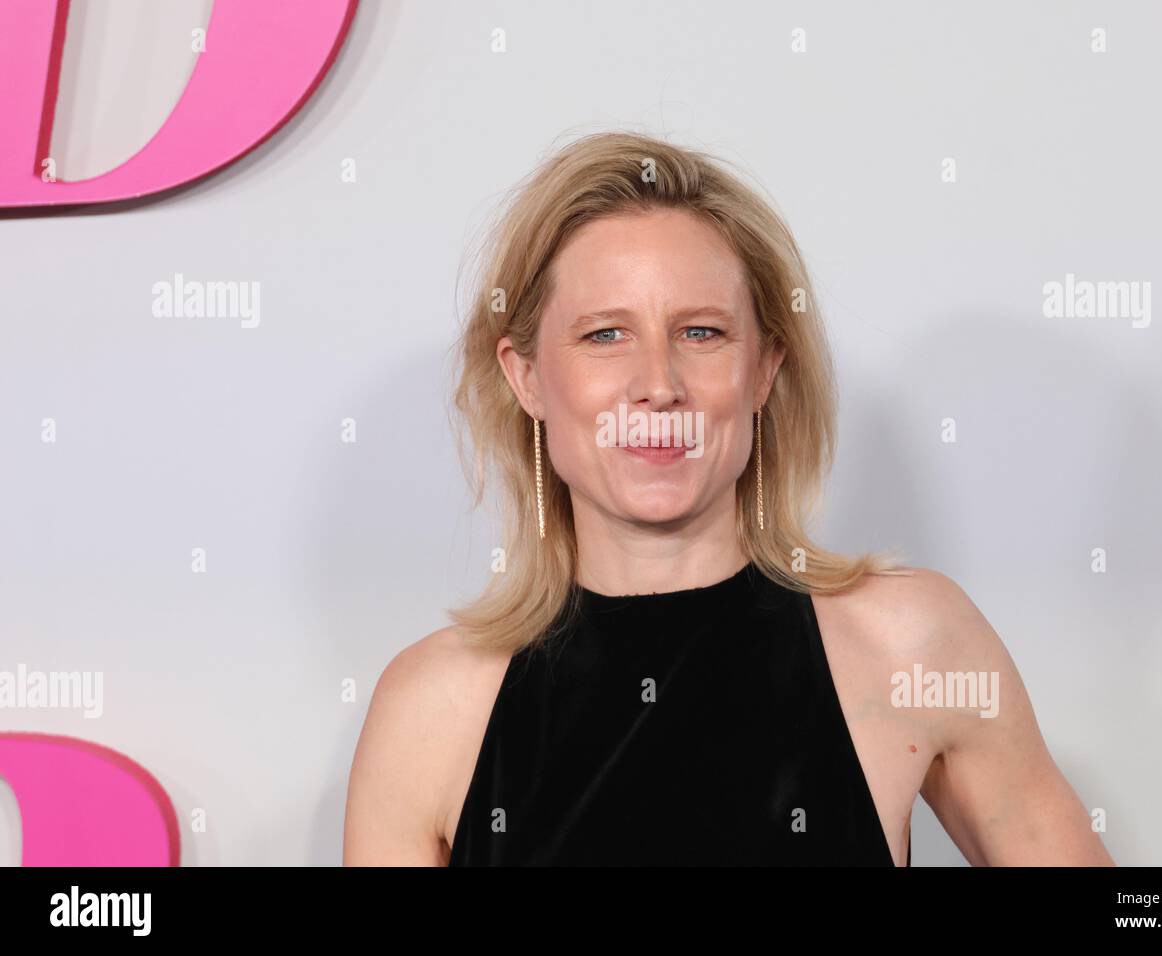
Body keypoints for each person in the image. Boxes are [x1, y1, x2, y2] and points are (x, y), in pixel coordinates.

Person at [342, 130, 1115, 866]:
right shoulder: (430, 710)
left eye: (702, 333)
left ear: (765, 369)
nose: (658, 386)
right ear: (527, 376)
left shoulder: (911, 643)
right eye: (605, 334)